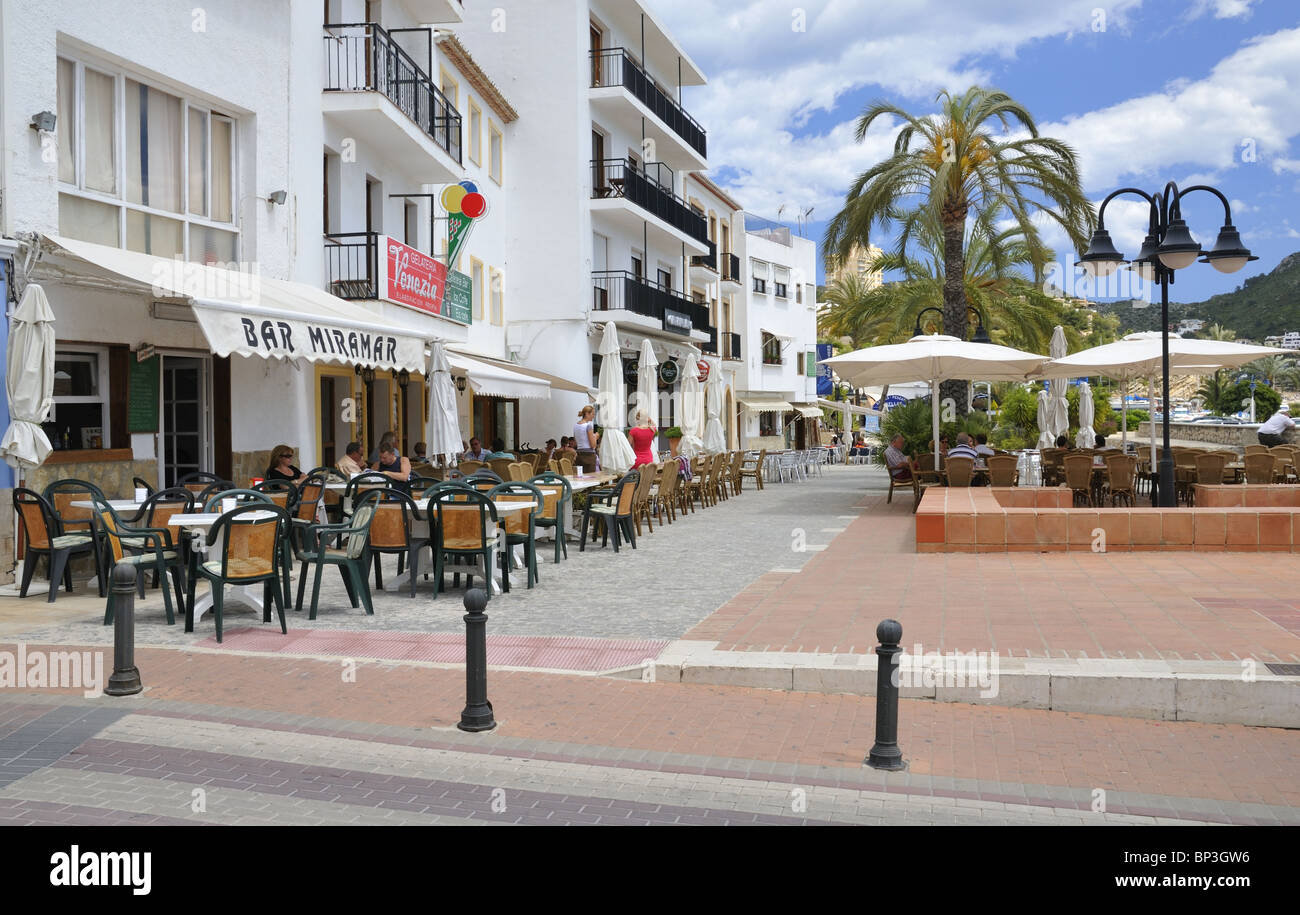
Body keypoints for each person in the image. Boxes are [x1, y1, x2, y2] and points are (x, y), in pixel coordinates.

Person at [573, 405, 600, 473]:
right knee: (591, 477)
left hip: (579, 454)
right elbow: (593, 445)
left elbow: (576, 442)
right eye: (592, 414)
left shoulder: (575, 426)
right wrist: (595, 437)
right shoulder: (588, 426)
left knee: (581, 476)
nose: (593, 416)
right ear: (587, 414)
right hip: (589, 456)